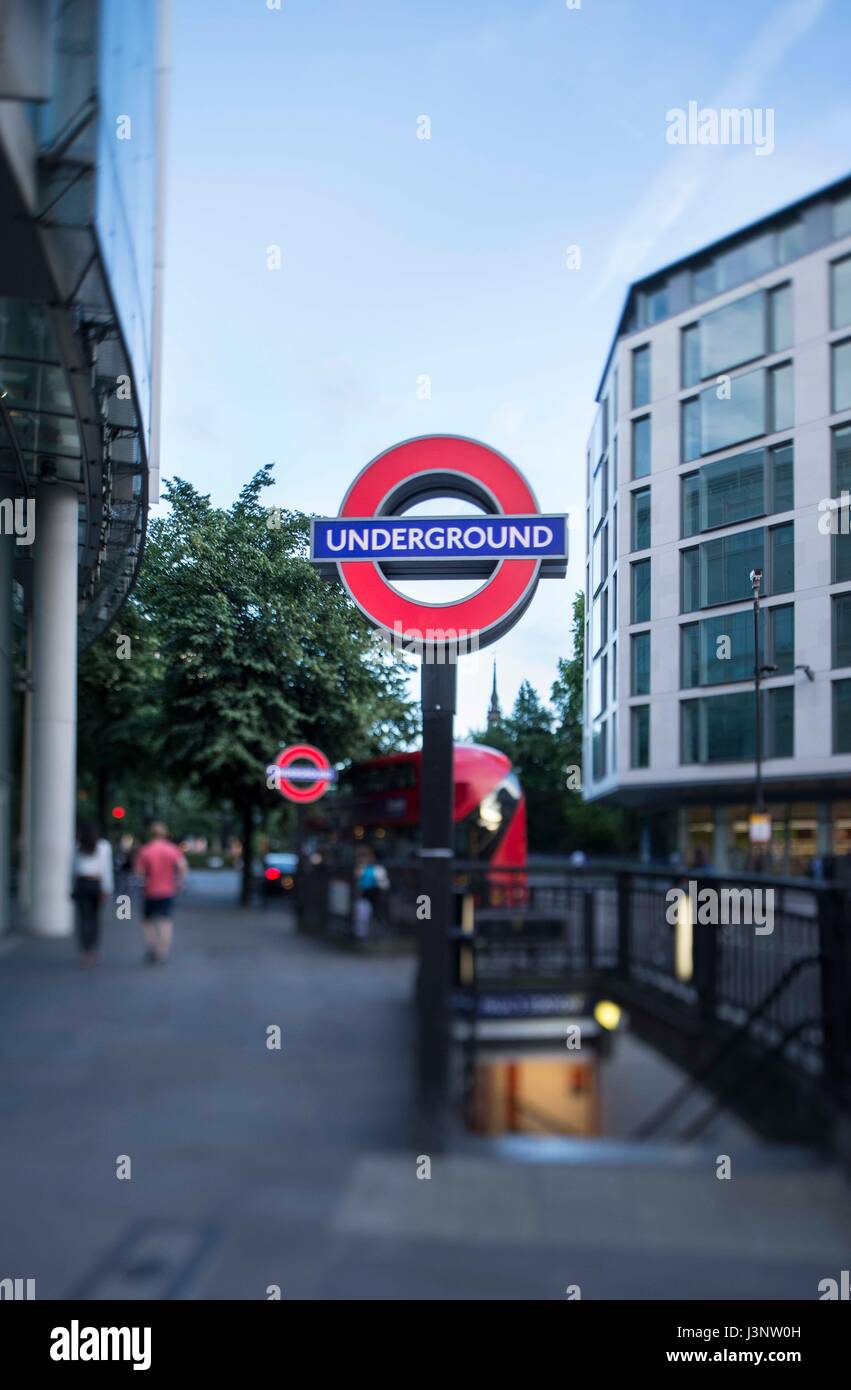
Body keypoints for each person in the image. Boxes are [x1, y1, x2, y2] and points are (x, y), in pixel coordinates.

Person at [134, 822, 188, 964]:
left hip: (149, 891)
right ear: (165, 834)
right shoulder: (172, 849)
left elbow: (139, 873)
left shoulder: (145, 850)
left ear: (150, 834)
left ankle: (151, 946)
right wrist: (179, 883)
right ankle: (162, 952)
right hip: (168, 891)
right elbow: (182, 866)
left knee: (147, 921)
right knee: (165, 921)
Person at [72, 820, 114, 966]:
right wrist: (107, 888)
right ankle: (93, 950)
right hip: (96, 884)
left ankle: (86, 950)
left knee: (84, 918)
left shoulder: (77, 846)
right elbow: (106, 869)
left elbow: (72, 868)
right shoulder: (103, 846)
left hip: (82, 883)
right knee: (95, 918)